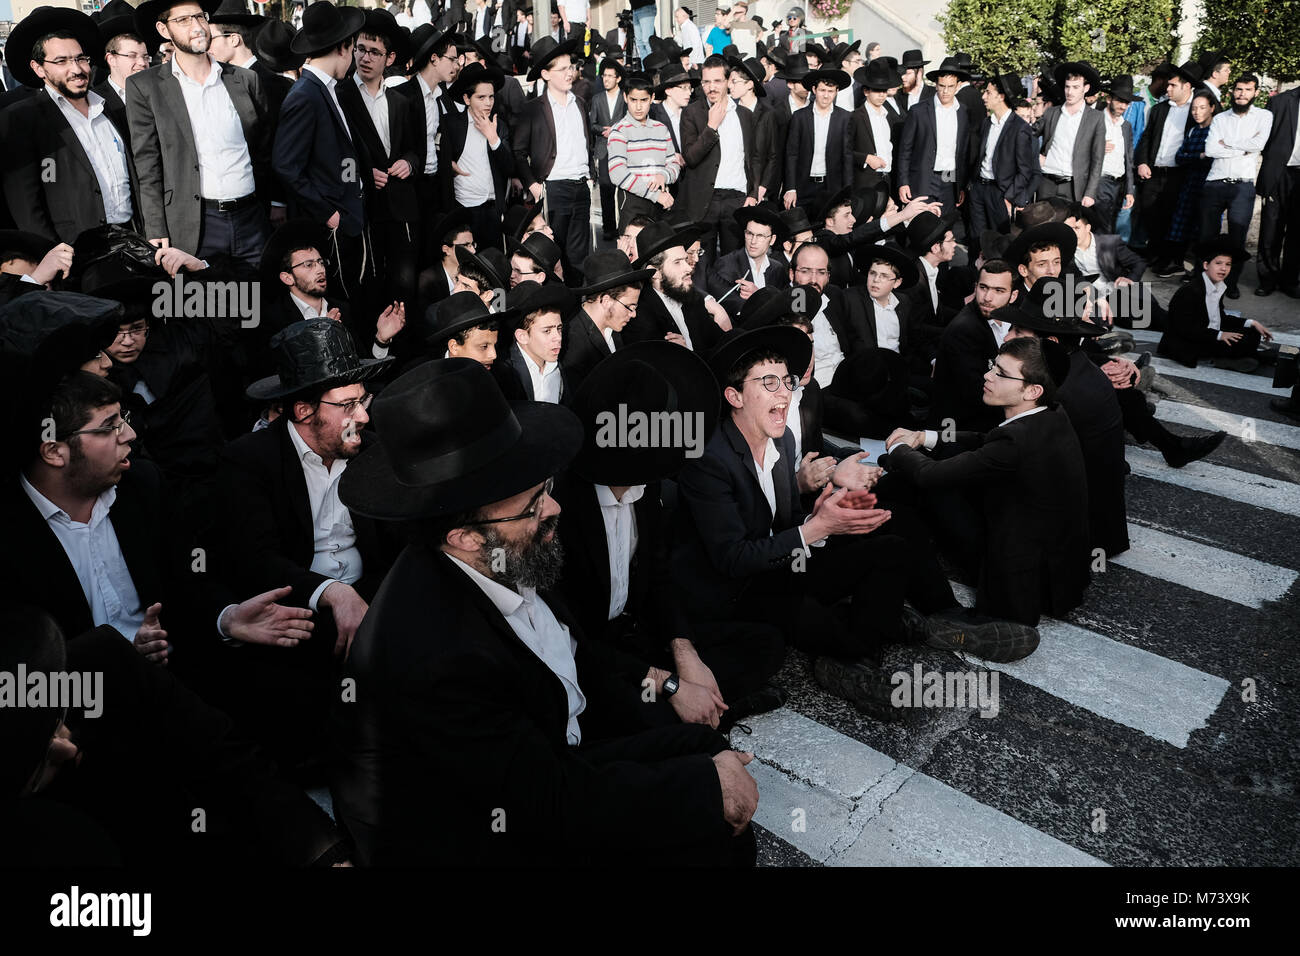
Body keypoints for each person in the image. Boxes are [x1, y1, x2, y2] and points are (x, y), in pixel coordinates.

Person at [330, 358, 759, 865]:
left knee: (704, 748)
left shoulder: (505, 556)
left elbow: (574, 663)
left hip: (546, 761)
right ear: (465, 537)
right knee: (718, 836)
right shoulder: (437, 656)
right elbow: (545, 801)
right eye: (534, 505)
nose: (554, 510)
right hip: (472, 832)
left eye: (547, 491)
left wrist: (697, 747)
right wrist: (706, 790)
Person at [881, 336, 1091, 626]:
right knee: (923, 481)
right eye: (993, 366)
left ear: (1032, 390)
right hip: (1054, 567)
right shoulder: (1050, 413)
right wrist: (924, 436)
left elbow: (928, 476)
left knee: (916, 489)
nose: (987, 375)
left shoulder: (1016, 441)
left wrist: (897, 447)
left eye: (1000, 373)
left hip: (1025, 579)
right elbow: (983, 441)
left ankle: (942, 612)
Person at [128, 0, 272, 266]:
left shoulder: (245, 79)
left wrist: (272, 204)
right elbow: (147, 164)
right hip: (194, 223)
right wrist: (156, 226)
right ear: (163, 29)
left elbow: (263, 149)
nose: (196, 27)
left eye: (199, 17)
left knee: (257, 301)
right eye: (183, 20)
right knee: (205, 305)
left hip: (251, 219)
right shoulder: (145, 87)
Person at [3, 6, 138, 245]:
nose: (76, 69)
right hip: (75, 255)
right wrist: (51, 253)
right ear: (39, 68)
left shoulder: (112, 109)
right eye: (62, 61)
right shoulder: (22, 119)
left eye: (80, 59)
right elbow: (26, 204)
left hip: (134, 240)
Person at [271, 1, 368, 297]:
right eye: (353, 50)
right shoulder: (305, 95)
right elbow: (286, 165)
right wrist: (329, 214)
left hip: (348, 217)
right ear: (343, 48)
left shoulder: (326, 88)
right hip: (328, 228)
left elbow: (334, 152)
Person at [337, 9, 420, 330]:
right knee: (367, 286)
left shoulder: (400, 101)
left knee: (403, 286)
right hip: (362, 209)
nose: (366, 58)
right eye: (360, 49)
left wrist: (408, 163)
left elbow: (415, 149)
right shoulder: (340, 96)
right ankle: (373, 347)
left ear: (389, 58)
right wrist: (360, 173)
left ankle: (401, 347)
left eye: (374, 52)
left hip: (400, 209)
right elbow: (334, 154)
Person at [513, 36, 593, 285]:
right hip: (553, 188)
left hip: (581, 187)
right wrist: (533, 185)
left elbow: (587, 142)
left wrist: (590, 176)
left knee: (580, 257)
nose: (570, 73)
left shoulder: (579, 103)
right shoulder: (533, 108)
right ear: (546, 74)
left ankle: (576, 305)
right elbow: (517, 151)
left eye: (571, 66)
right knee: (552, 255)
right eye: (563, 69)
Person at [677, 55, 759, 268]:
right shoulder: (691, 113)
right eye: (706, 82)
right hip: (705, 200)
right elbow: (691, 157)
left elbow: (753, 158)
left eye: (717, 81)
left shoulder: (745, 115)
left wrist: (753, 193)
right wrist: (711, 127)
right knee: (701, 265)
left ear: (728, 81)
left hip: (737, 199)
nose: (711, 87)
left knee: (734, 265)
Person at [1201, 74, 1273, 298]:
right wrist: (1244, 148)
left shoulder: (1264, 116)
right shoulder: (1221, 118)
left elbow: (1258, 144)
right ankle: (1203, 282)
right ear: (1233, 91)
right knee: (1206, 235)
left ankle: (1230, 284)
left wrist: (1229, 143)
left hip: (1243, 186)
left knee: (1237, 237)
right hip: (1215, 182)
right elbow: (1211, 150)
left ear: (1256, 93)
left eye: (1247, 90)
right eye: (1239, 89)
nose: (1242, 94)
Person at [1158, 236, 1273, 371]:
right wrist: (1220, 335)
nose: (1223, 269)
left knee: (1252, 333)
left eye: (1227, 264)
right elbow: (1185, 328)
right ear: (1206, 265)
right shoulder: (1191, 291)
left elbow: (1219, 318)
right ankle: (1228, 359)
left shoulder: (1218, 287)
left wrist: (1252, 322)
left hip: (1208, 334)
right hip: (1190, 342)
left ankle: (1242, 357)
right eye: (1218, 263)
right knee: (1242, 342)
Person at [932, 258, 1019, 433]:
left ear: (1013, 295)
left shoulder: (1012, 321)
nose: (987, 298)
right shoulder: (964, 330)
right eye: (983, 287)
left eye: (999, 290)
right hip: (960, 430)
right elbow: (978, 395)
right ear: (975, 287)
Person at [1134, 60, 1202, 278]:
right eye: (1168, 84)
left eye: (1173, 85)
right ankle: (1157, 254)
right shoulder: (1159, 109)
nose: (1167, 88)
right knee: (1149, 211)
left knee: (1174, 217)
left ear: (1187, 86)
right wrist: (1143, 161)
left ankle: (1171, 260)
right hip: (1155, 171)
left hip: (1179, 173)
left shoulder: (1196, 110)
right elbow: (1146, 137)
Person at [439, 61, 513, 252]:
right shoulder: (451, 124)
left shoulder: (500, 125)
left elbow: (509, 168)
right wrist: (448, 163)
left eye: (491, 97)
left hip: (492, 209)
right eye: (481, 97)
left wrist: (493, 138)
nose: (488, 103)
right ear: (466, 98)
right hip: (463, 209)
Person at [623, 220, 723, 353]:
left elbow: (720, 342)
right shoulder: (638, 315)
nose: (688, 268)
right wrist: (685, 356)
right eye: (677, 262)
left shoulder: (692, 298)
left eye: (685, 260)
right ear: (655, 272)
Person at [969, 74, 1039, 256]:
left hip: (1000, 193)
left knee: (998, 244)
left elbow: (1025, 171)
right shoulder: (986, 123)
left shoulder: (1020, 128)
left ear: (1001, 97)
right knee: (976, 240)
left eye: (988, 92)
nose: (984, 96)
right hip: (978, 189)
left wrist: (1008, 197)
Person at [562, 251, 652, 388]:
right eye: (629, 307)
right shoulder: (572, 344)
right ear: (606, 301)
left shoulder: (619, 327)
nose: (633, 314)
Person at [897, 56, 970, 213]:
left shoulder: (962, 112)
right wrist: (903, 182)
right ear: (936, 84)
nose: (945, 91)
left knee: (946, 223)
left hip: (949, 177)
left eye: (950, 86)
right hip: (924, 178)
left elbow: (962, 151)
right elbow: (905, 150)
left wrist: (961, 185)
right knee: (922, 225)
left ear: (958, 86)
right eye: (942, 85)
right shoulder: (918, 111)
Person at [607, 73, 682, 228]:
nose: (639, 106)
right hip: (632, 201)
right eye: (634, 100)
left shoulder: (661, 129)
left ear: (652, 97)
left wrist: (664, 175)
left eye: (644, 100)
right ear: (625, 97)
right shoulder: (619, 131)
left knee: (660, 250)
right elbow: (617, 173)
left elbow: (674, 163)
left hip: (661, 202)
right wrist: (654, 195)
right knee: (632, 249)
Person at [783, 67, 853, 217]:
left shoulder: (844, 118)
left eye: (830, 91)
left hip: (831, 185)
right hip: (803, 185)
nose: (826, 96)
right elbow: (791, 154)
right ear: (814, 90)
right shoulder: (799, 117)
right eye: (822, 90)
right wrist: (790, 188)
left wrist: (847, 191)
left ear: (836, 92)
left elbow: (847, 156)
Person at [1036, 61, 1106, 206]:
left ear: (1086, 88)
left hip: (1073, 186)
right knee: (1043, 227)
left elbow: (1097, 159)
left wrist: (1090, 193)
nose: (1070, 92)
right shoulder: (1052, 113)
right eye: (1067, 87)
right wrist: (1035, 156)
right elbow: (1026, 136)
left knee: (1068, 227)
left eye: (1075, 87)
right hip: (1046, 181)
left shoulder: (1096, 118)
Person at [1255, 82, 1300, 298]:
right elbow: (1264, 139)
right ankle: (1267, 279)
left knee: (1297, 233)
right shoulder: (1281, 101)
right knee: (1271, 229)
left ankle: (1290, 280)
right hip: (1279, 173)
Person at [707, 206, 789, 319]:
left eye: (760, 236)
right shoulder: (727, 264)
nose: (753, 241)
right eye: (749, 234)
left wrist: (759, 296)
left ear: (772, 239)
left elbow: (787, 305)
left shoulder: (777, 268)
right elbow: (726, 306)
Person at [851, 58, 903, 194]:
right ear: (866, 91)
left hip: (886, 180)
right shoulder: (855, 117)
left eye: (884, 90)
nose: (881, 94)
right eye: (877, 90)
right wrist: (866, 158)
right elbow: (842, 151)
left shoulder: (889, 116)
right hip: (864, 182)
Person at [589, 58, 627, 242]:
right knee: (605, 189)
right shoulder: (597, 99)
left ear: (618, 79)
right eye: (604, 76)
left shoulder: (625, 97)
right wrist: (604, 130)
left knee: (625, 189)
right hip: (604, 149)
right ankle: (609, 228)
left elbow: (629, 119)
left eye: (610, 76)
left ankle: (625, 227)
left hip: (623, 149)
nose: (606, 79)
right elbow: (592, 124)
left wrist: (617, 129)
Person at [1095, 75, 1137, 233]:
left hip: (1118, 185)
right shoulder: (1095, 119)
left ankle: (1106, 257)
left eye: (1126, 102)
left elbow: (1129, 159)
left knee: (1111, 227)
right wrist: (1098, 146)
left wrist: (1129, 190)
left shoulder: (1125, 126)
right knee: (1103, 227)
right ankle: (1104, 258)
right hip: (1099, 182)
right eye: (1120, 100)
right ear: (1109, 99)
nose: (1123, 106)